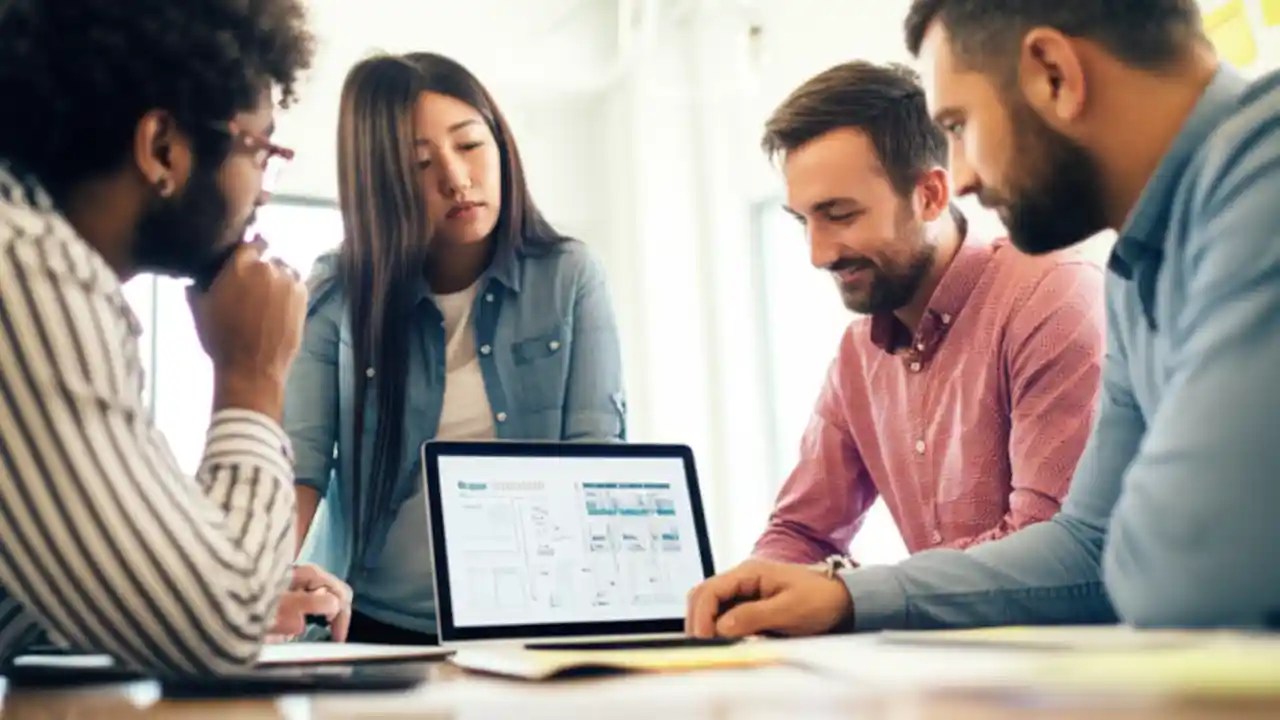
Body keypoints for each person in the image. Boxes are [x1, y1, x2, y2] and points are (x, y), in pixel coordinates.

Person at [687, 0, 1280, 637]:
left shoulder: (1262, 182)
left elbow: (1191, 568)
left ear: (1054, 73)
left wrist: (1132, 554)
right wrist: (847, 596)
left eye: (960, 124)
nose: (962, 176)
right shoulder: (1136, 271)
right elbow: (1087, 547)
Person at [0, 0, 353, 675]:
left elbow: (73, 582)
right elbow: (214, 631)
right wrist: (253, 374)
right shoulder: (26, 272)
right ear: (163, 148)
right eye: (262, 152)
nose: (263, 194)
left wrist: (196, 578)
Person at [286, 53, 627, 644]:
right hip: (371, 621)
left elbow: (597, 459)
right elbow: (298, 467)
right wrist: (254, 590)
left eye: (470, 145)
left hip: (533, 621)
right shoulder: (340, 289)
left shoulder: (569, 275)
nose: (456, 178)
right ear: (381, 182)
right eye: (420, 163)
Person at [751, 61, 1103, 568]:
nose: (818, 254)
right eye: (803, 221)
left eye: (840, 215)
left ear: (930, 195)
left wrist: (849, 596)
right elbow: (801, 534)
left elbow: (1047, 551)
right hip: (945, 649)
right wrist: (747, 593)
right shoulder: (858, 356)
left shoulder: (1052, 298)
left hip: (1077, 648)